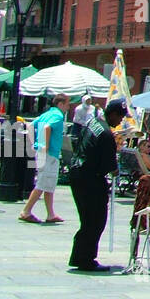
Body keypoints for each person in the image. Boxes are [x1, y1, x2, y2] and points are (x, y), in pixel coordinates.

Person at [67, 100, 126, 272]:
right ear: (113, 114)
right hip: (90, 179)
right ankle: (86, 259)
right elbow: (110, 165)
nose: (120, 121)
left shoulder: (92, 123)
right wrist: (115, 170)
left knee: (87, 220)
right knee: (96, 220)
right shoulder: (107, 134)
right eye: (120, 117)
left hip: (78, 173)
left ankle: (79, 256)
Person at [20, 93, 68, 224]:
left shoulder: (46, 114)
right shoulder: (58, 115)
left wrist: (34, 144)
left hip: (42, 153)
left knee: (49, 184)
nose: (68, 107)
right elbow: (47, 128)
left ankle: (51, 214)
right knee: (42, 183)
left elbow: (30, 126)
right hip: (49, 154)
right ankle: (26, 211)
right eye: (67, 104)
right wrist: (45, 146)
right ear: (60, 104)